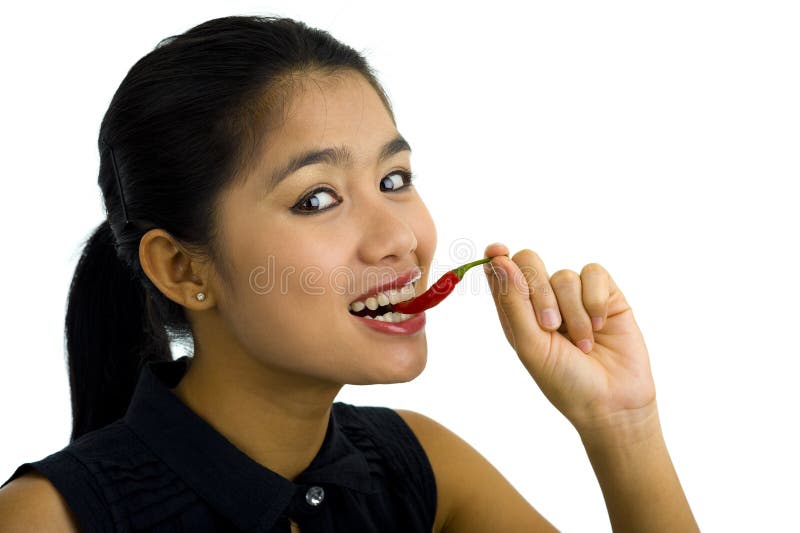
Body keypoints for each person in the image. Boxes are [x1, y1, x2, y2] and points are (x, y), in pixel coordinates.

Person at [0, 15, 698, 532]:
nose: (400, 236)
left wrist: (622, 424)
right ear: (183, 268)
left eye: (395, 178)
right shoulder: (45, 519)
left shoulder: (419, 467)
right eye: (318, 198)